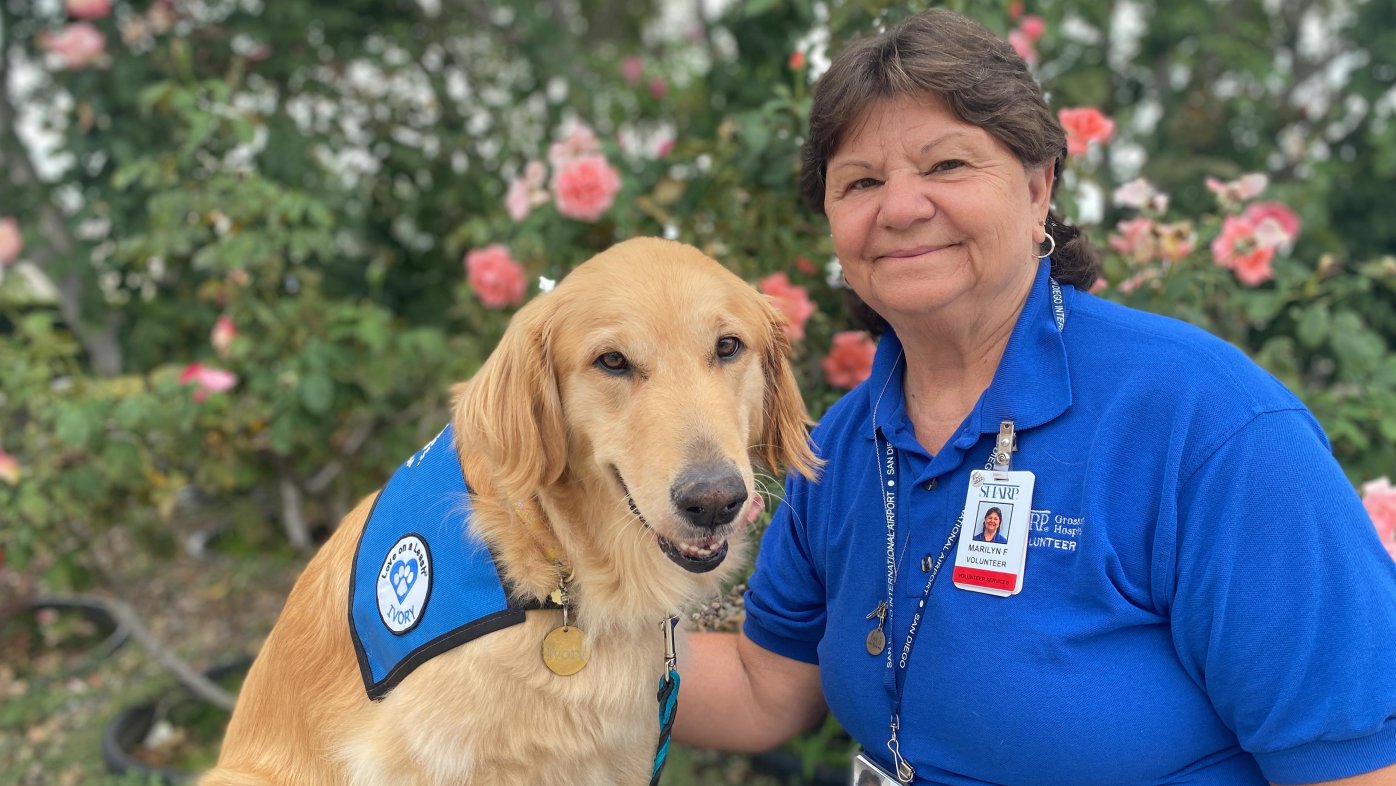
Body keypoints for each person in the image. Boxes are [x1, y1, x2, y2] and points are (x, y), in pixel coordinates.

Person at [673, 8, 1396, 786]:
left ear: (1037, 184)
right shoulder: (848, 445)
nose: (902, 207)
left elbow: (1358, 769)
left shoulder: (1206, 423)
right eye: (861, 181)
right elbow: (760, 693)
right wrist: (542, 620)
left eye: (947, 166)